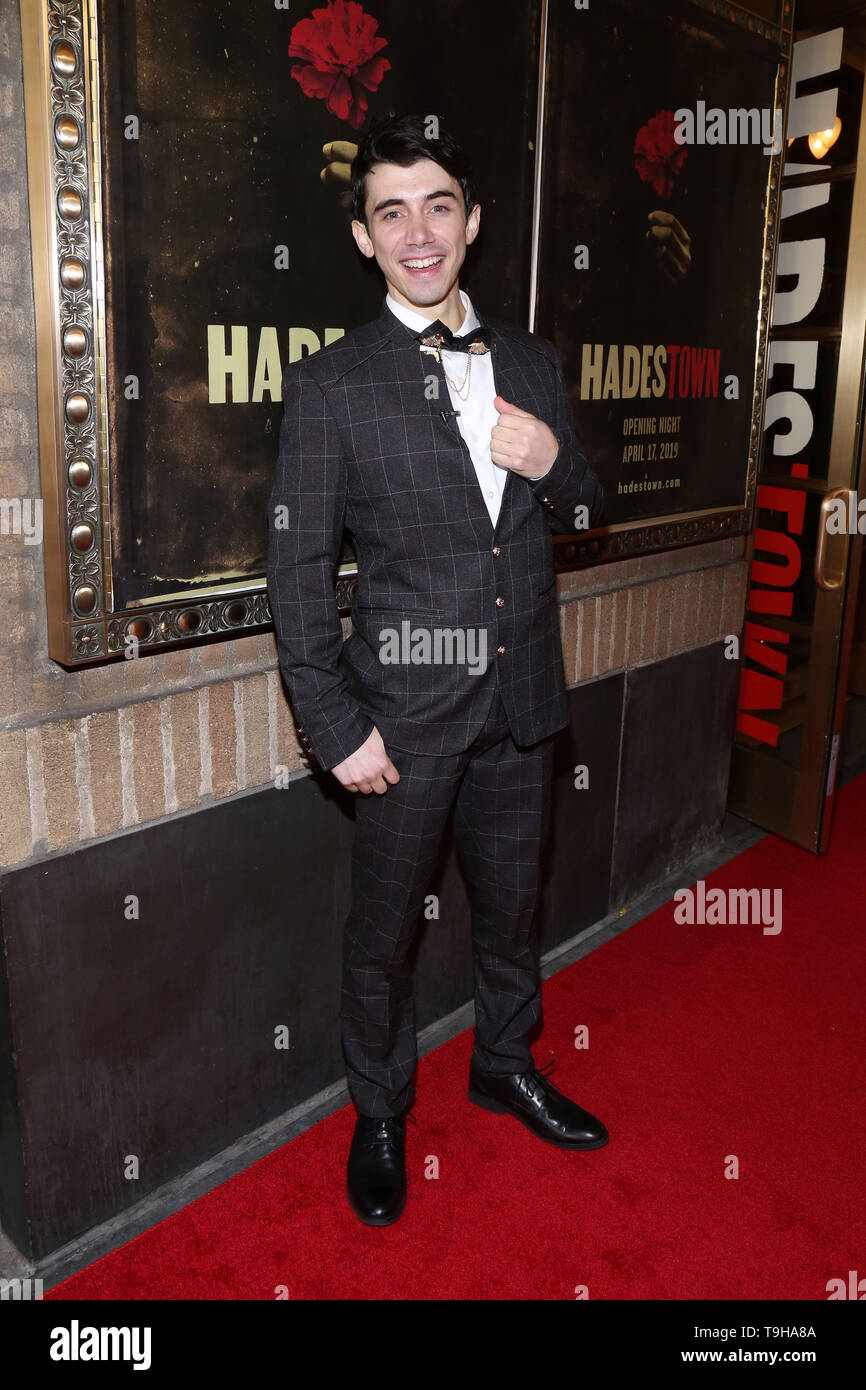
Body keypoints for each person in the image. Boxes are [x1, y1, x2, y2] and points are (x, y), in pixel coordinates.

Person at [267, 113, 608, 1227]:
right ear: (363, 238)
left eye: (438, 205)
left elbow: (590, 505)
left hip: (520, 706)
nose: (419, 233)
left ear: (472, 218)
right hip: (401, 723)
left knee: (512, 909)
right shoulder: (331, 386)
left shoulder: (533, 362)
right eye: (390, 211)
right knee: (384, 936)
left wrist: (554, 464)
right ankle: (378, 1109)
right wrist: (332, 723)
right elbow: (297, 575)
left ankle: (502, 1062)